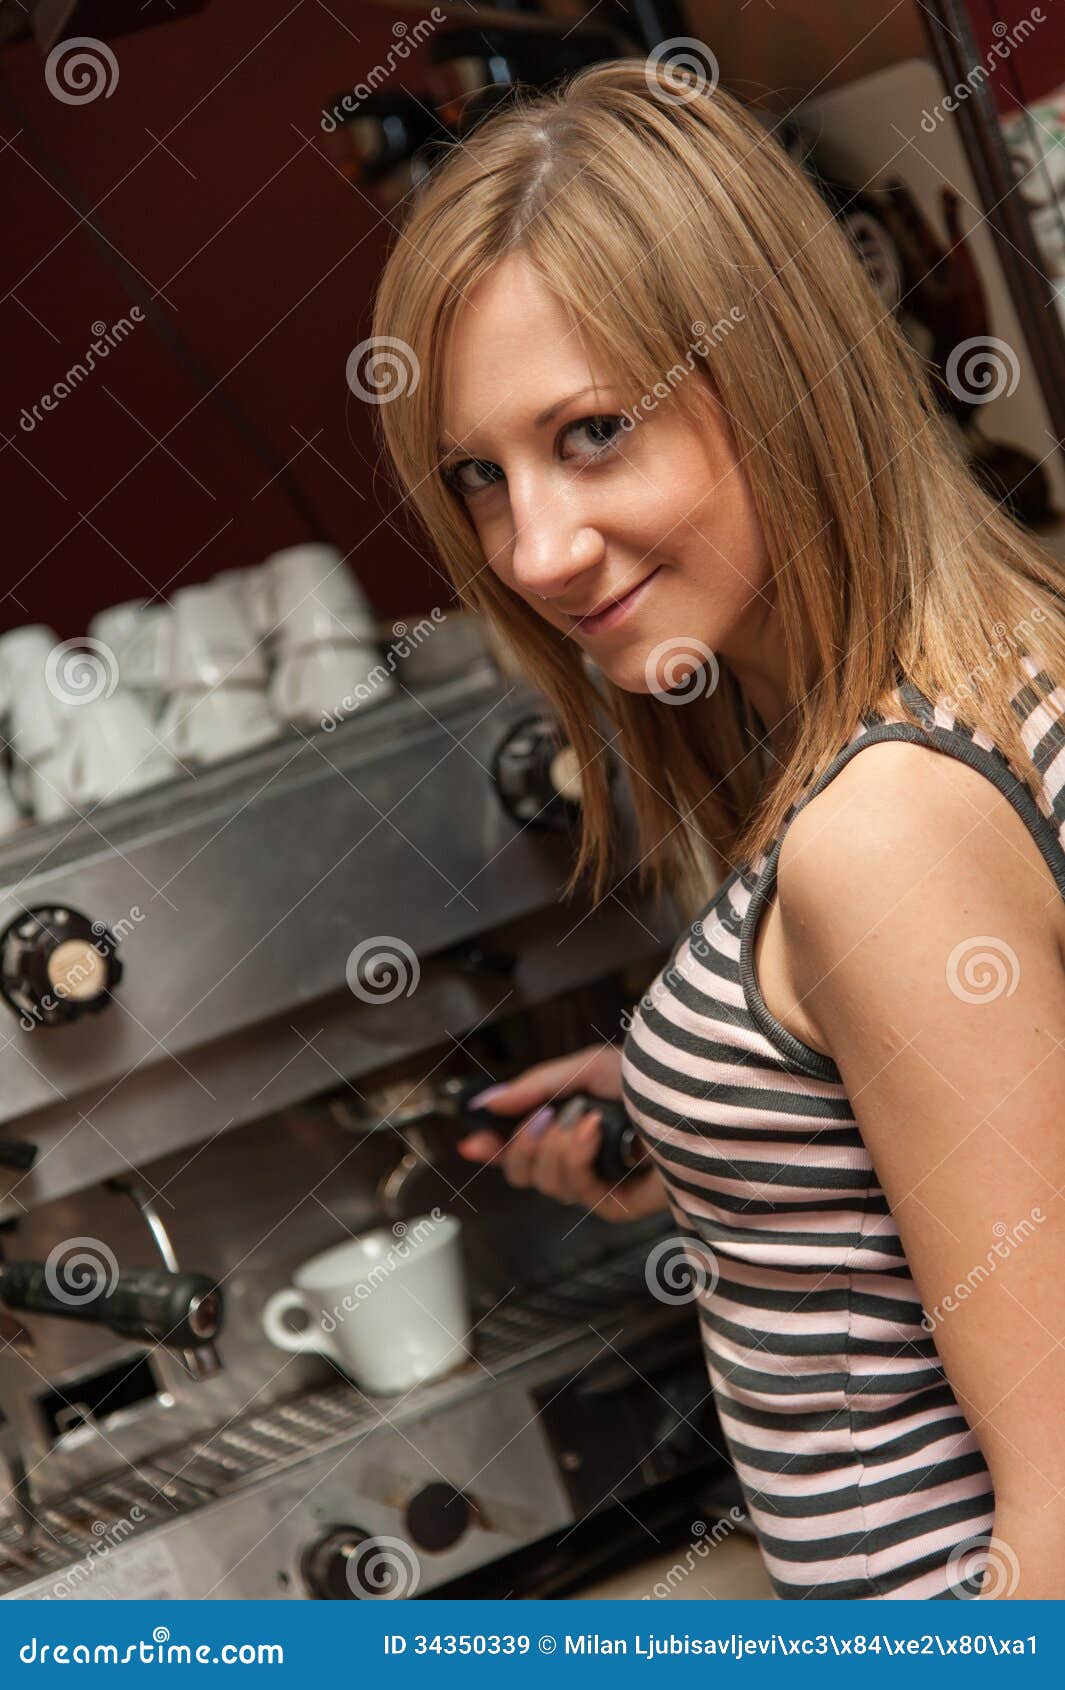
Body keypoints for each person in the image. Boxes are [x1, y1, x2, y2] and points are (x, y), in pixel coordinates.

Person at [368, 58, 1065, 1600]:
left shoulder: (878, 836)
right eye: (481, 475)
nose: (532, 549)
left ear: (775, 381)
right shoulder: (997, 665)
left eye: (592, 431)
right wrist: (727, 1129)